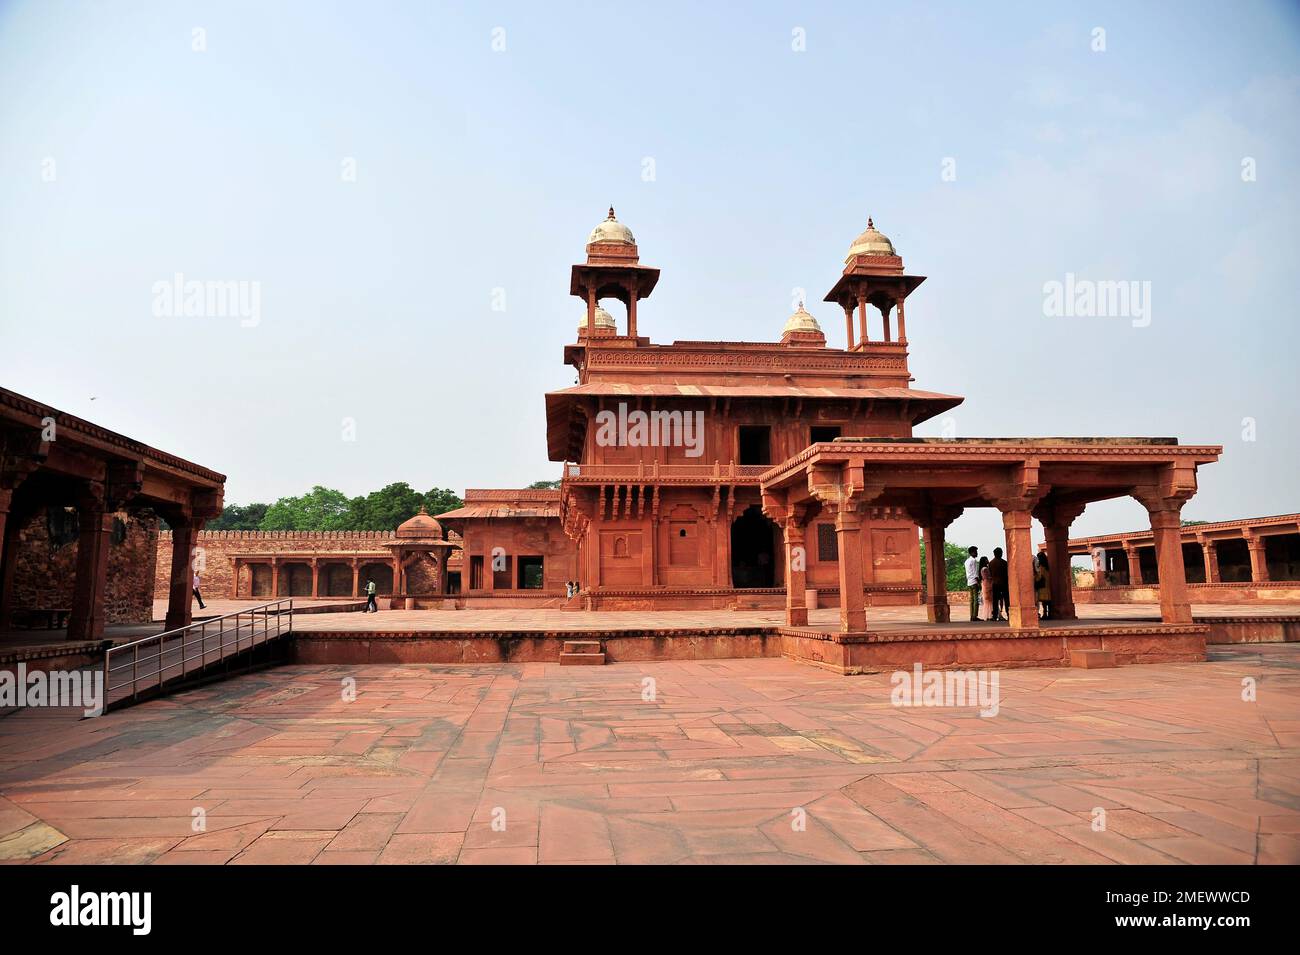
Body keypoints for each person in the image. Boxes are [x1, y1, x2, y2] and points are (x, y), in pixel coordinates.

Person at [988, 547, 1009, 621]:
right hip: (1004, 583)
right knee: (1006, 599)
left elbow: (990, 573)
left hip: (995, 583)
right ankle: (1009, 614)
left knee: (995, 600)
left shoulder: (991, 563)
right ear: (1000, 553)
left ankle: (995, 616)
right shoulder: (1004, 563)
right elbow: (1007, 573)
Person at [1034, 552, 1053, 620]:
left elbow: (1040, 576)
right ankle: (1049, 614)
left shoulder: (1041, 567)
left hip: (1043, 585)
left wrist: (1035, 579)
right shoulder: (1048, 566)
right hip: (1048, 585)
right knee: (1048, 601)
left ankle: (1045, 614)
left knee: (1044, 602)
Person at [964, 546, 980, 621]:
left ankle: (972, 615)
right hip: (974, 581)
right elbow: (975, 573)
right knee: (976, 599)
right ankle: (974, 616)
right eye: (976, 551)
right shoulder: (973, 560)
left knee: (972, 600)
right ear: (972, 552)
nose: (977, 553)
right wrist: (978, 582)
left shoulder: (966, 561)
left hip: (969, 581)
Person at [979, 556, 992, 621]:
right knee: (989, 600)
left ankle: (987, 615)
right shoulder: (985, 569)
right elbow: (987, 577)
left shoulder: (982, 569)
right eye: (986, 559)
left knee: (987, 601)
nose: (988, 560)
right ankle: (990, 615)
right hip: (987, 584)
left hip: (984, 583)